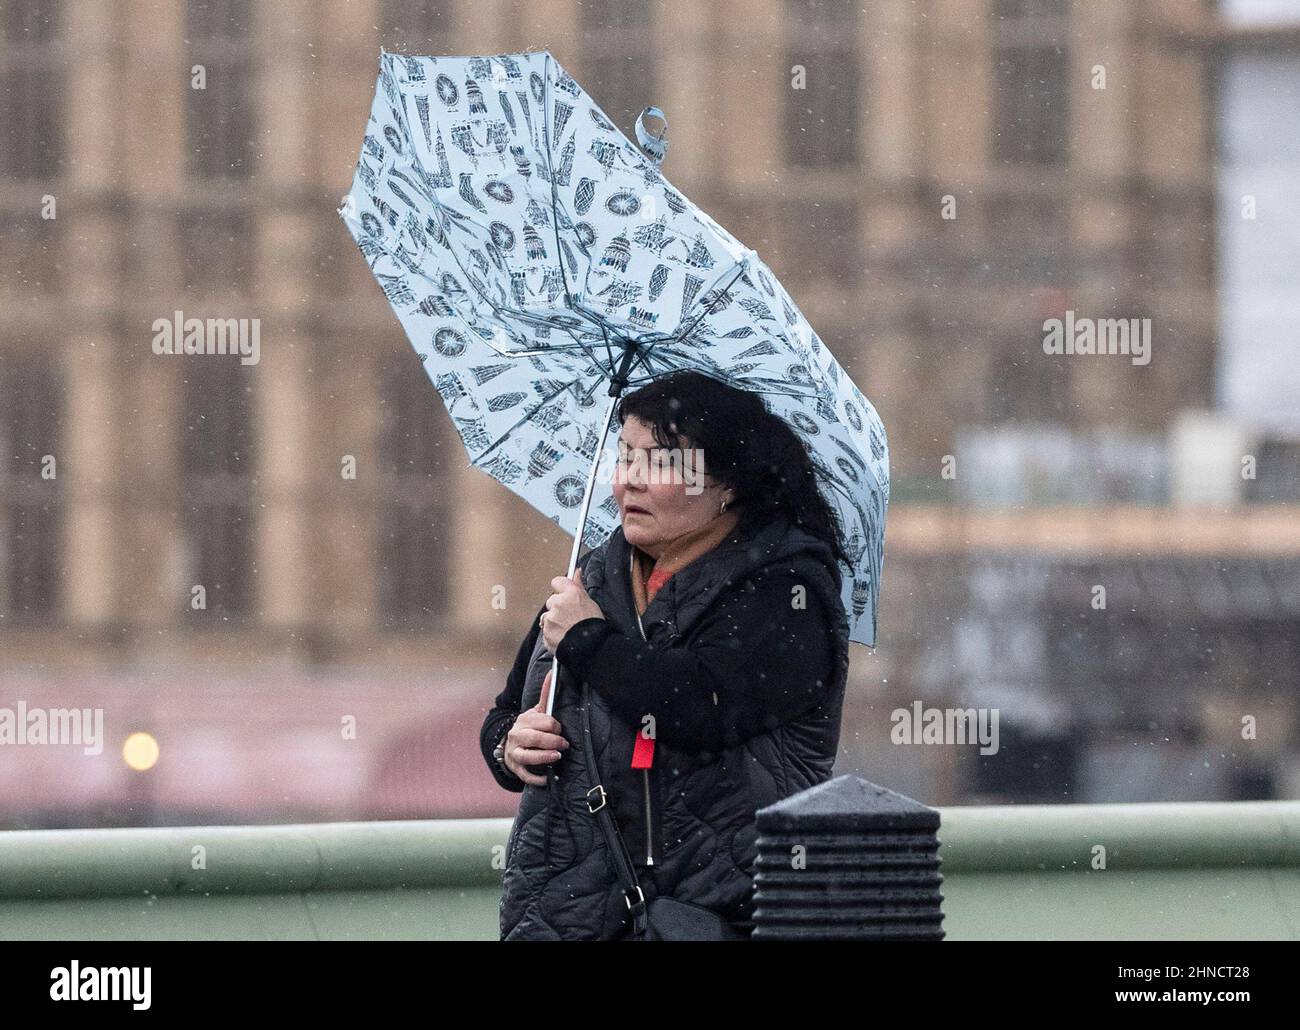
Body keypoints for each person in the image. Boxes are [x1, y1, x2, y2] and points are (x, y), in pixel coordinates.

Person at [479, 370, 853, 940]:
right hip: (562, 921)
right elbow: (506, 712)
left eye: (658, 463)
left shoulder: (786, 593)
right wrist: (510, 746)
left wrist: (588, 642)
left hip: (719, 918)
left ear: (726, 482)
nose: (628, 481)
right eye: (625, 457)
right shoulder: (592, 582)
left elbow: (702, 707)